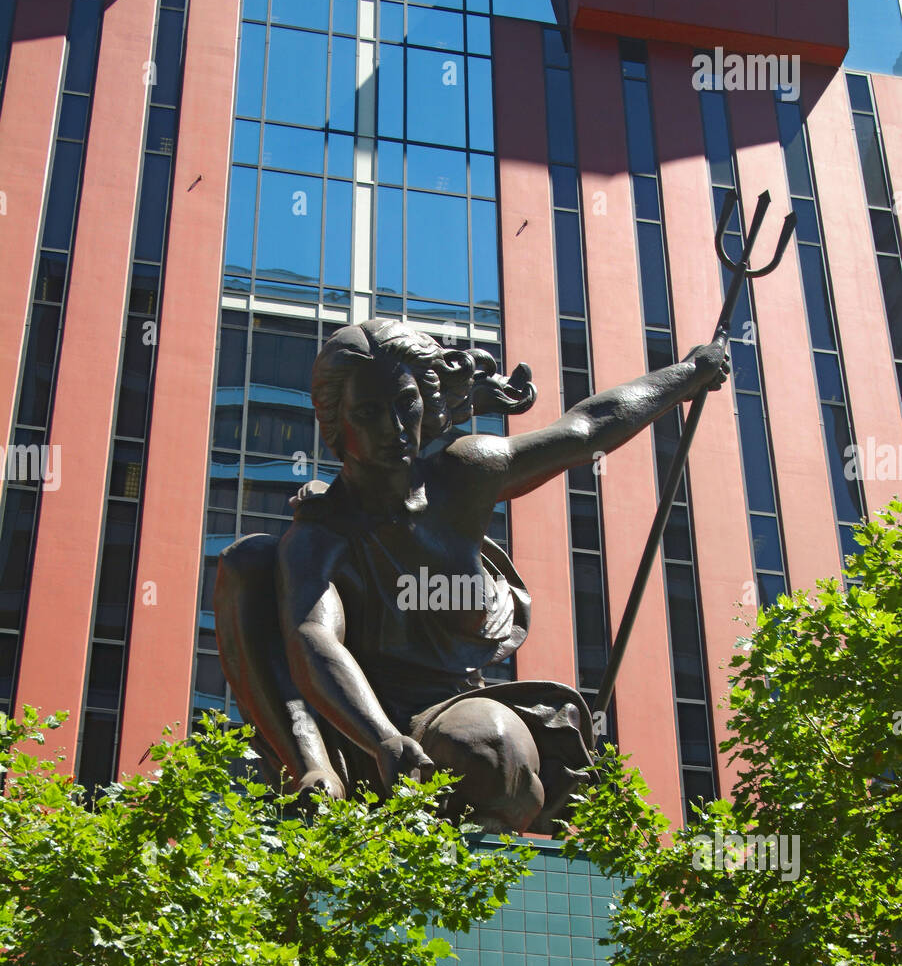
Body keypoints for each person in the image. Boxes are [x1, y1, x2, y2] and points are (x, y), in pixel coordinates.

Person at [215, 319, 729, 833]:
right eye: (368, 414)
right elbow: (313, 637)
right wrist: (382, 740)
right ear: (335, 422)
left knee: (495, 752)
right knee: (249, 561)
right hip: (353, 730)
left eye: (406, 404)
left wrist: (690, 373)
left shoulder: (466, 474)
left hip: (445, 712)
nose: (394, 429)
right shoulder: (320, 536)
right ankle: (315, 771)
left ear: (428, 404)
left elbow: (588, 427)